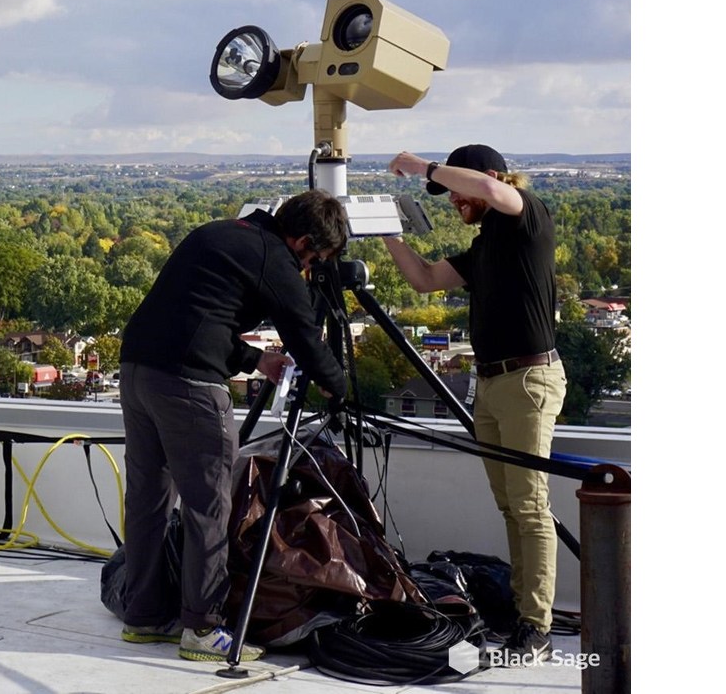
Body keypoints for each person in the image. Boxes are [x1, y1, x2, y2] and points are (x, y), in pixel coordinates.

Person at [115, 189, 351, 663]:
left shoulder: (221, 233)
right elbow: (304, 335)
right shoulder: (275, 258)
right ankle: (201, 629)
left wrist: (254, 360)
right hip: (190, 389)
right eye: (315, 259)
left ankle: (143, 617)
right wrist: (339, 386)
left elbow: (199, 316)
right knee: (210, 505)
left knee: (148, 499)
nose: (310, 270)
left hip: (138, 371)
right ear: (303, 241)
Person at [380, 144, 563, 664]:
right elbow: (426, 279)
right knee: (512, 505)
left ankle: (538, 626)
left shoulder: (527, 217)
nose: (454, 201)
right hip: (491, 383)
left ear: (490, 177)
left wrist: (423, 168)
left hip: (528, 378)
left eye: (456, 191)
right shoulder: (485, 247)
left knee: (529, 506)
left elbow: (489, 191)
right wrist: (384, 232)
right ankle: (526, 616)